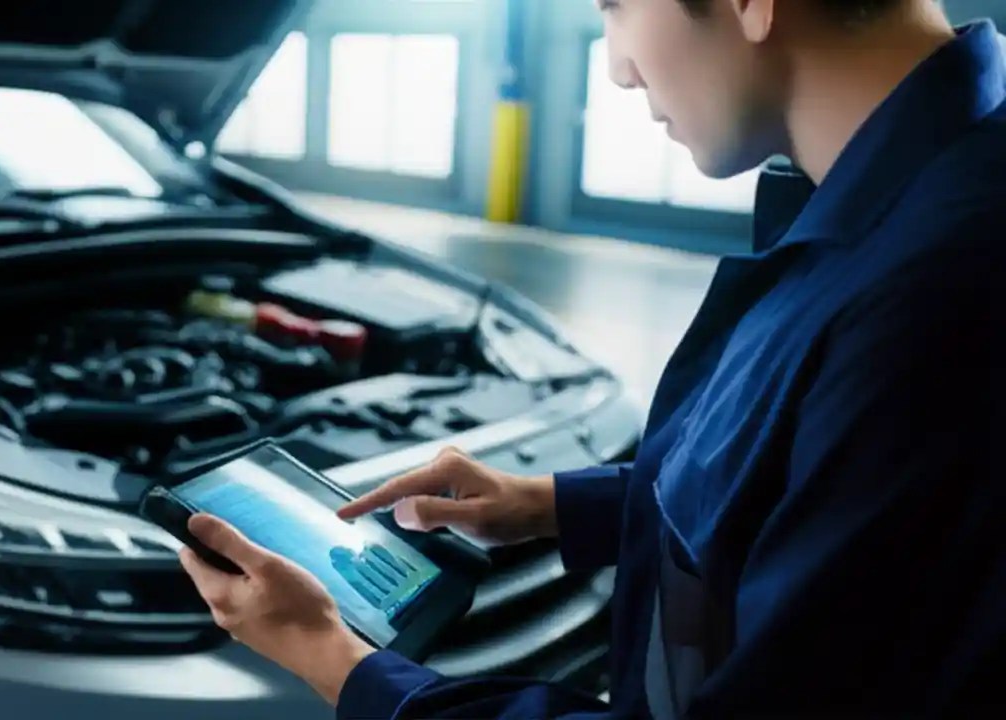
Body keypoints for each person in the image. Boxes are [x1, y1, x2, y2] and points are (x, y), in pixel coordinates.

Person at [176, 0, 1004, 716]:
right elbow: (789, 486)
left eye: (616, 6)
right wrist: (548, 505)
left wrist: (338, 662)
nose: (617, 68)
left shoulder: (936, 303)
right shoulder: (904, 216)